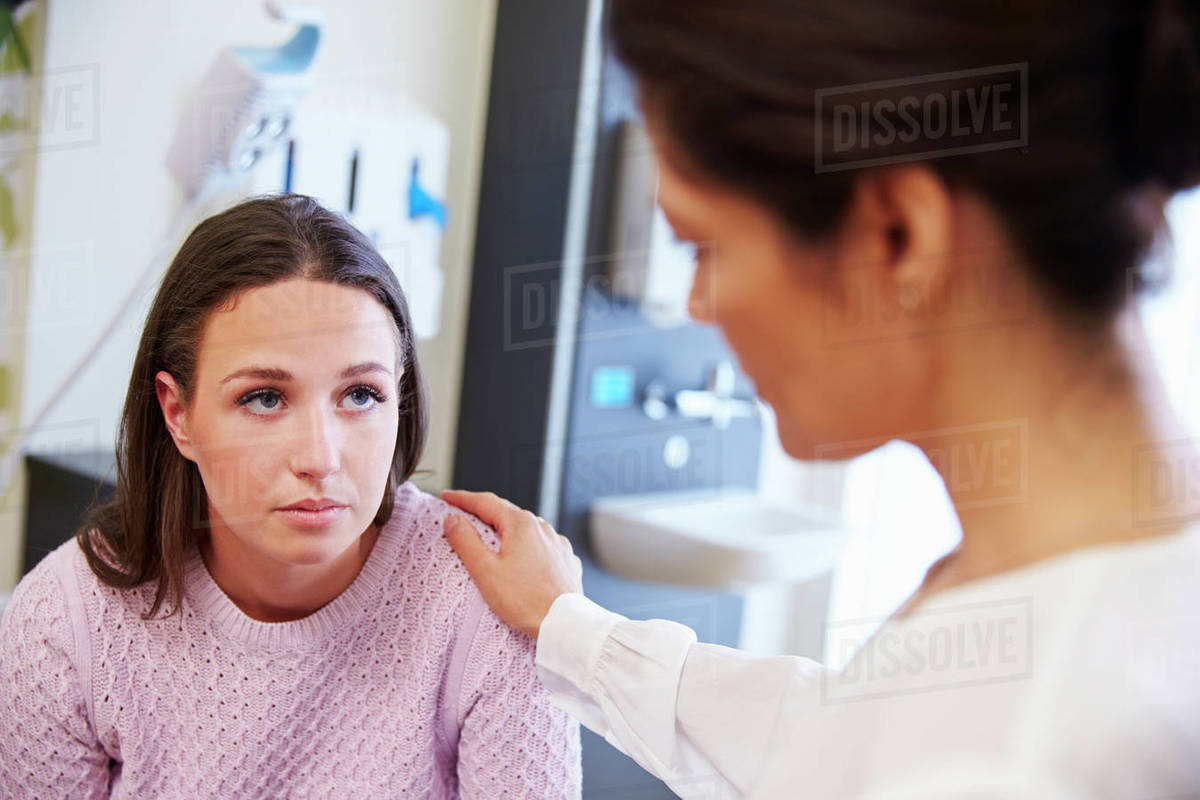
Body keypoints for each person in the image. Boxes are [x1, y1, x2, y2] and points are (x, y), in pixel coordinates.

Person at [440, 1, 1200, 797]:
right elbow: (834, 734)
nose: (698, 304)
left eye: (704, 246)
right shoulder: (1072, 598)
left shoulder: (1032, 753)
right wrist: (572, 629)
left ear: (897, 236)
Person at [0, 195, 581, 798]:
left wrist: (567, 630)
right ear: (179, 415)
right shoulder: (66, 621)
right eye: (264, 398)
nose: (320, 459)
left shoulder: (495, 601)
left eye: (361, 394)